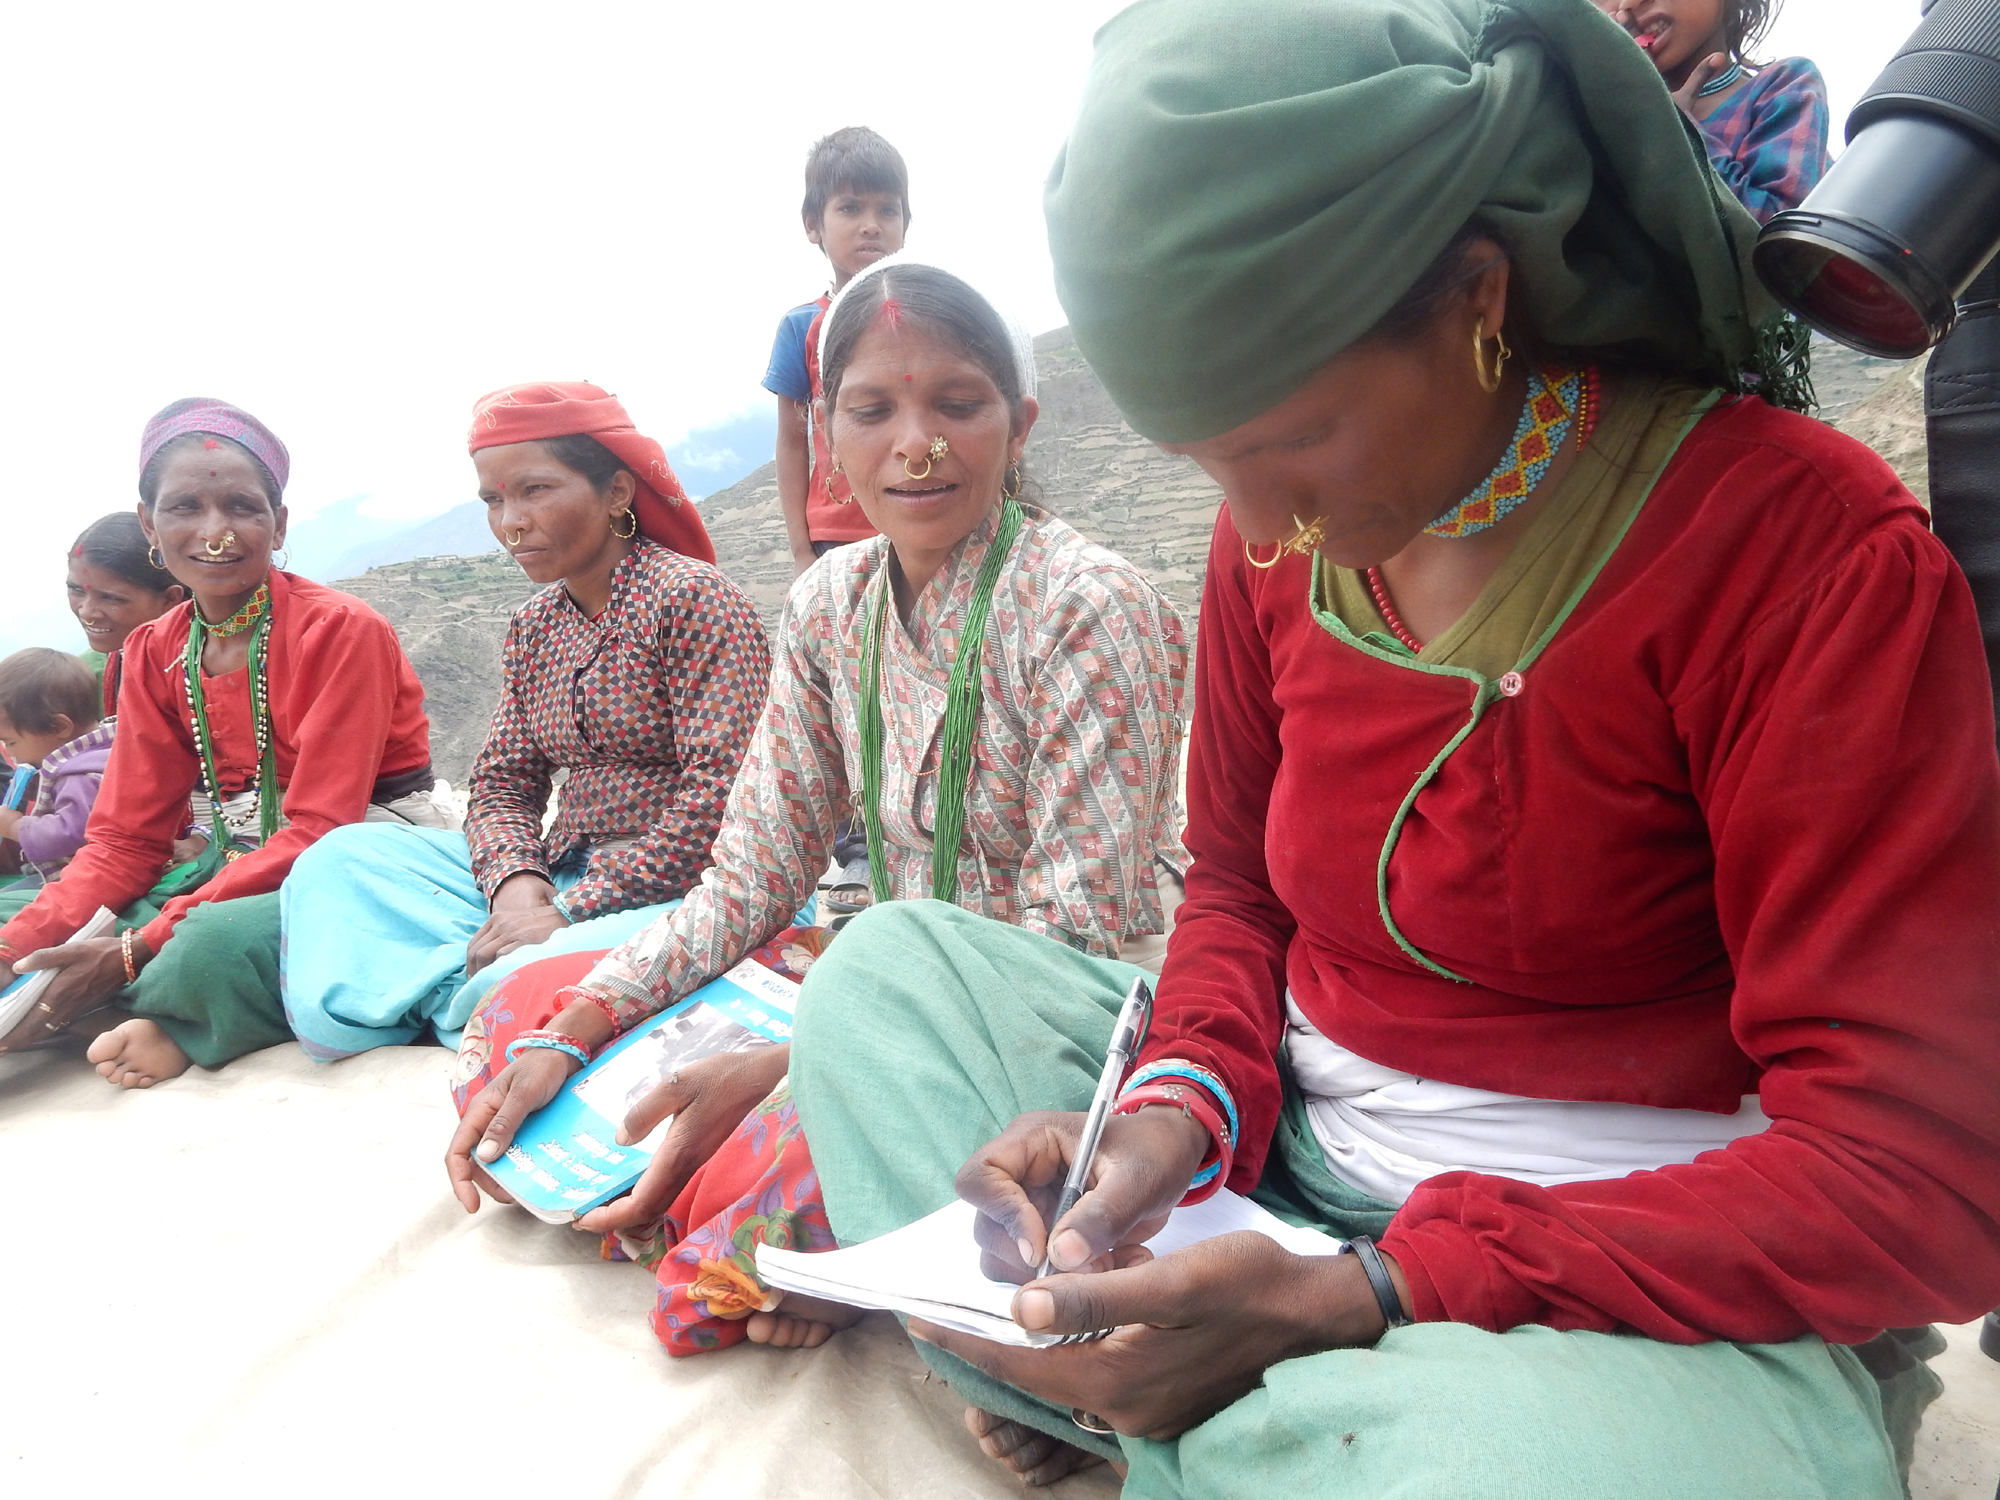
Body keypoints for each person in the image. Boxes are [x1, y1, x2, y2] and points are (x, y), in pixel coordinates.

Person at [775, 1, 2000, 1494]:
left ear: (1477, 294)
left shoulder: (1803, 556)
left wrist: (1382, 1289)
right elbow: (1234, 891)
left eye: (1291, 438)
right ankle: (1217, 1396)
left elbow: (1916, 1172)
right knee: (890, 983)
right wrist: (1173, 1114)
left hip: (1622, 1244)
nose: (1250, 519)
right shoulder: (1273, 545)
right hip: (1290, 1162)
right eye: (1205, 461)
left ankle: (1174, 1398)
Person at [445, 260, 1191, 1359]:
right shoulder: (830, 604)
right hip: (864, 983)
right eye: (872, 409)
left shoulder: (1088, 606)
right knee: (529, 1014)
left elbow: (1066, 942)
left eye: (957, 404)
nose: (916, 445)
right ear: (829, 437)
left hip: (1062, 1011)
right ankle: (842, 1219)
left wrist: (797, 1062)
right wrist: (585, 1023)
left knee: (724, 1249)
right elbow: (750, 876)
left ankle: (845, 1235)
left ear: (1018, 423)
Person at [278, 382, 771, 1060]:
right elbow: (504, 782)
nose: (511, 521)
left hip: (689, 889)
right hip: (560, 875)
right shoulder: (535, 627)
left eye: (536, 491)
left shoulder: (693, 601)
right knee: (339, 861)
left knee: (534, 970)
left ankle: (484, 986)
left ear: (618, 493)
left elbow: (723, 805)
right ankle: (494, 987)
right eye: (493, 499)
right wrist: (516, 883)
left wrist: (570, 910)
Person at [0, 397, 449, 1088]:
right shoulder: (154, 651)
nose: (215, 534)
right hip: (239, 849)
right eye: (185, 508)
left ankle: (177, 1016)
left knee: (210, 946)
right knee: (27, 915)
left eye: (242, 506)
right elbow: (124, 840)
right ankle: (114, 989)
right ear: (150, 523)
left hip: (359, 847)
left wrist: (134, 947)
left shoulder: (340, 631)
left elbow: (319, 829)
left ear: (279, 524)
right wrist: (17, 946)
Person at [766, 127, 912, 908]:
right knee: (854, 692)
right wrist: (800, 547)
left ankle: (936, 832)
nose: (870, 226)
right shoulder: (804, 328)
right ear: (812, 224)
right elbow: (792, 435)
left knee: (926, 678)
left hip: (923, 521)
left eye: (887, 209)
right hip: (836, 536)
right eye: (850, 208)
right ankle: (859, 854)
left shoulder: (926, 311)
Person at [1602, 0, 1829, 221]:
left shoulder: (1784, 87)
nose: (1629, 3)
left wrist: (1671, 126)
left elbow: (1778, 232)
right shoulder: (1598, 121)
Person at [0, 650, 114, 888]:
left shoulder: (81, 775)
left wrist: (14, 826)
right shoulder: (105, 750)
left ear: (59, 725)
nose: (10, 752)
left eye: (11, 742)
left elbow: (71, 832)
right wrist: (41, 789)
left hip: (93, 878)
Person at [66, 511, 187, 716]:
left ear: (170, 599)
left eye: (112, 598)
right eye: (76, 590)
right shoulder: (81, 679)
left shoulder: (209, 670)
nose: (87, 613)